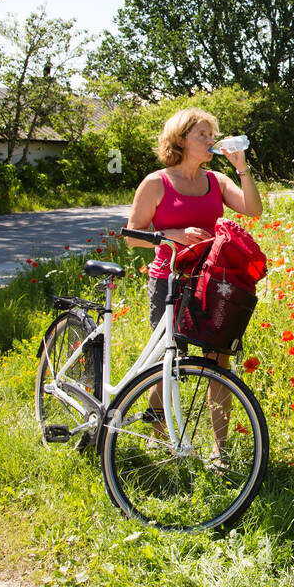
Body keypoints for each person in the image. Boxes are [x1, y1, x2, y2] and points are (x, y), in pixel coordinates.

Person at [123, 108, 263, 444]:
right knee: (166, 360)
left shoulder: (216, 180)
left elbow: (253, 209)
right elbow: (131, 235)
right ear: (181, 139)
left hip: (211, 282)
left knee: (218, 361)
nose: (210, 140)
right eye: (202, 134)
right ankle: (160, 437)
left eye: (211, 134)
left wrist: (241, 167)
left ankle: (220, 448)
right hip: (169, 280)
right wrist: (174, 233)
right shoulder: (157, 183)